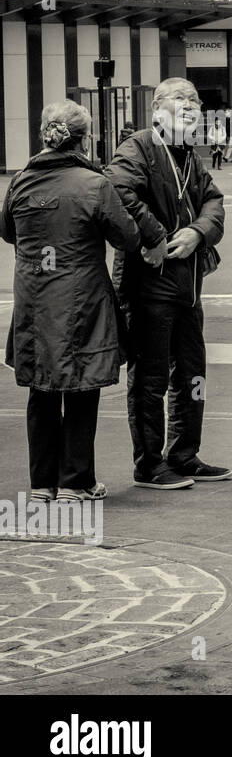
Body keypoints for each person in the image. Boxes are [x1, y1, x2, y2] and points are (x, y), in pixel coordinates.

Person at [3, 101, 141, 503]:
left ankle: (42, 483)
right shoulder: (94, 184)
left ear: (44, 134)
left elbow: (8, 231)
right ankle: (75, 481)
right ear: (84, 138)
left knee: (41, 387)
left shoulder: (20, 182)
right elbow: (126, 237)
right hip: (82, 297)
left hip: (33, 297)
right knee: (82, 385)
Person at [106, 77, 231, 490]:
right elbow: (118, 192)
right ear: (157, 108)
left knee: (192, 374)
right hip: (149, 285)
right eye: (180, 98)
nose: (190, 104)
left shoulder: (189, 155)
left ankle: (184, 454)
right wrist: (156, 236)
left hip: (188, 285)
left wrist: (198, 232)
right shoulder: (138, 147)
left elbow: (214, 201)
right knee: (150, 377)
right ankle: (148, 464)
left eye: (195, 98)